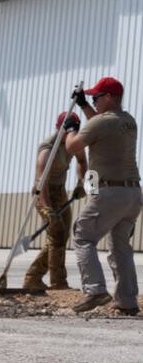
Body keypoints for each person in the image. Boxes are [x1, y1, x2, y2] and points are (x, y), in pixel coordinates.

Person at [66, 76, 141, 314]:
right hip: (133, 194)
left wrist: (70, 129)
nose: (93, 101)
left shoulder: (100, 123)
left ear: (108, 97)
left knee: (82, 235)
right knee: (120, 246)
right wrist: (85, 106)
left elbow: (74, 147)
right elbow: (100, 124)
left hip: (110, 192)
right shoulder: (128, 121)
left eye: (96, 97)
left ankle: (95, 289)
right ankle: (127, 302)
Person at [22, 111, 86, 293]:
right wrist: (48, 210)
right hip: (43, 194)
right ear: (59, 128)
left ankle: (34, 278)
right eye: (68, 131)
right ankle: (57, 283)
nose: (70, 135)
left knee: (61, 236)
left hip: (60, 192)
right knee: (56, 233)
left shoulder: (73, 142)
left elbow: (82, 160)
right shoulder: (48, 148)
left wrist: (81, 183)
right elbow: (39, 183)